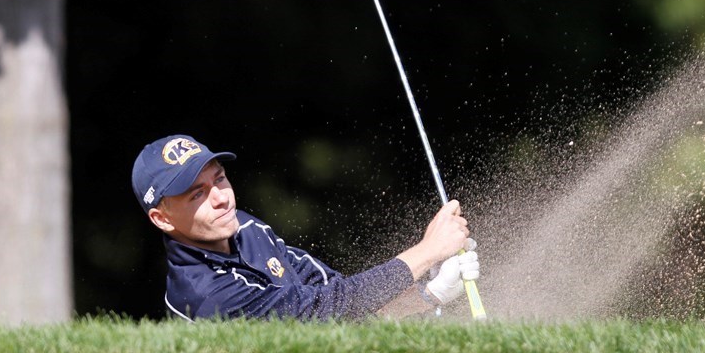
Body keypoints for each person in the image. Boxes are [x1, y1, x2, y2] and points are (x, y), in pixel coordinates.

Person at [131, 134, 480, 321]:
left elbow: (337, 301)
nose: (220, 198)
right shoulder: (206, 294)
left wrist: (427, 294)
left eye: (219, 179)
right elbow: (330, 310)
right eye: (196, 195)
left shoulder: (245, 228)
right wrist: (428, 250)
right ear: (162, 219)